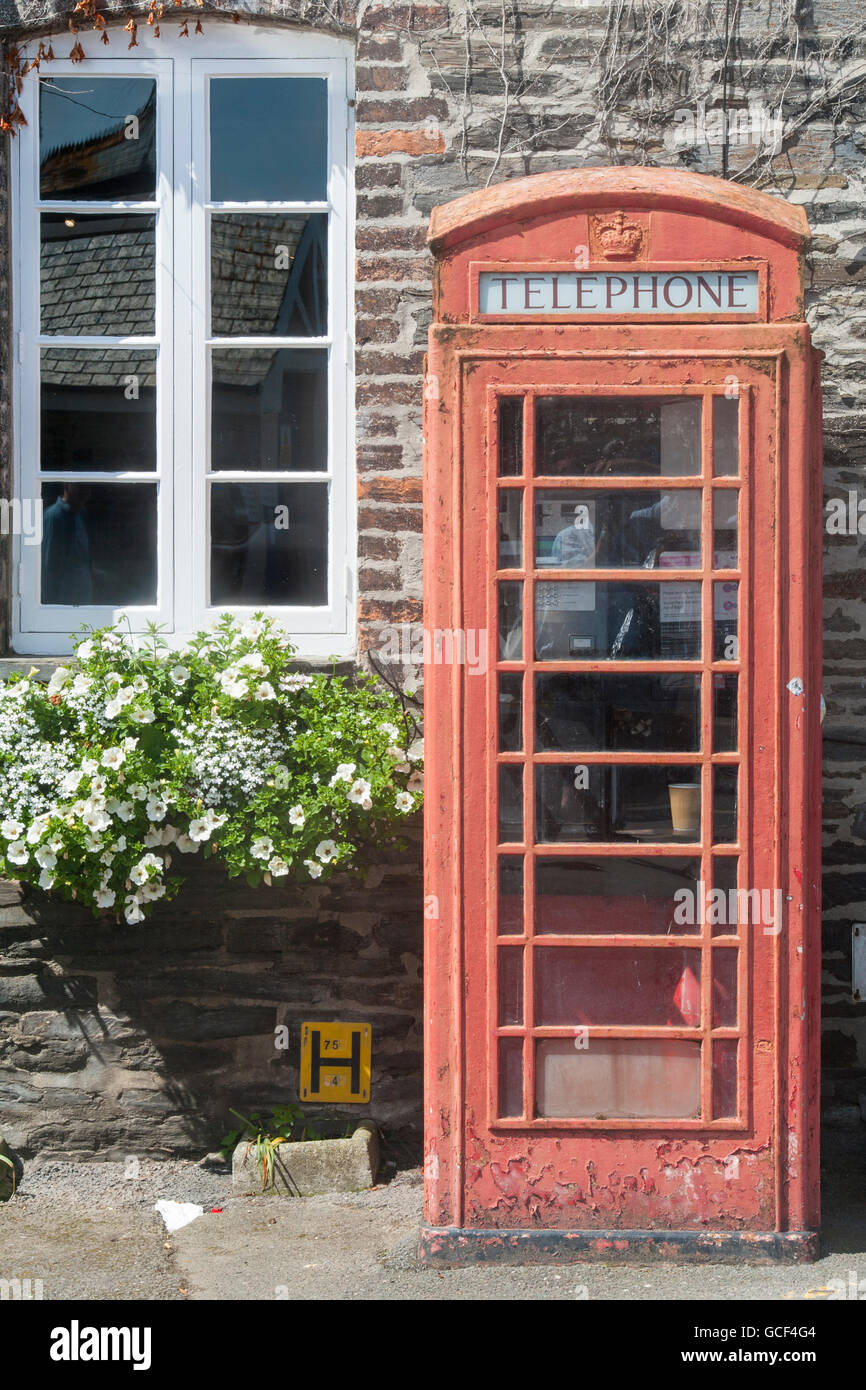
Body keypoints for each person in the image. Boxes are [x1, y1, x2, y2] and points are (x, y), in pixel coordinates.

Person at [41, 483, 93, 605]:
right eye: (79, 487)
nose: (84, 492)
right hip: (63, 594)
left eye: (86, 487)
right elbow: (48, 563)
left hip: (83, 590)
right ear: (66, 487)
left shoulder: (82, 513)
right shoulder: (54, 516)